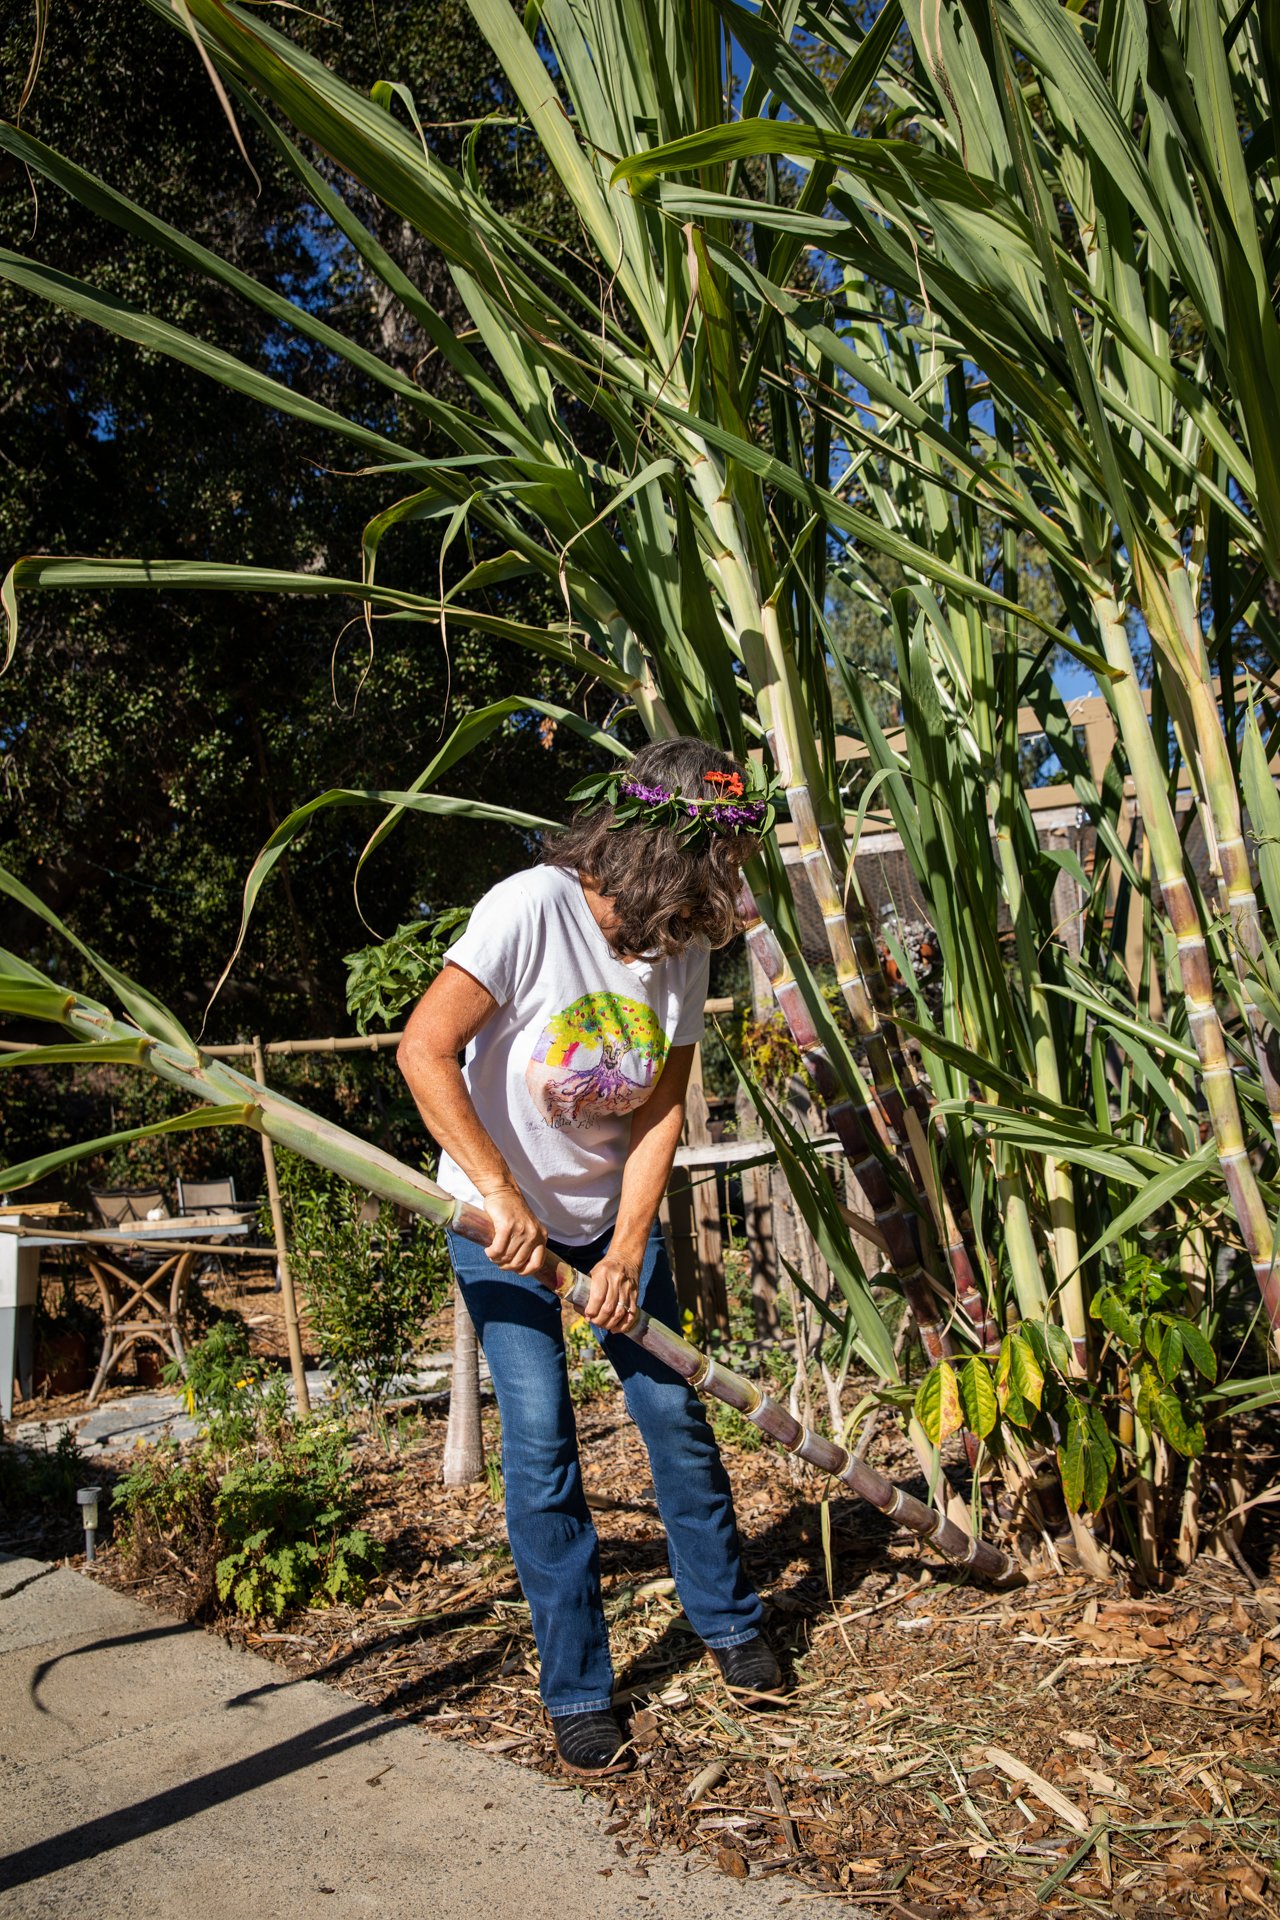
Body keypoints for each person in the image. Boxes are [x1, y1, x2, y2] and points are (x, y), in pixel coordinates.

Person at [397, 736, 786, 1777]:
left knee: (671, 1415)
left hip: (603, 1223)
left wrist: (623, 1247)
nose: (730, 896)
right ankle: (577, 1690)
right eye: (720, 868)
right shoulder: (529, 905)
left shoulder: (681, 933)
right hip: (497, 1225)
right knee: (540, 1443)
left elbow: (660, 1106)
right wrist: (499, 1196)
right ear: (668, 850)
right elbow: (422, 1049)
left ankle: (729, 1623)